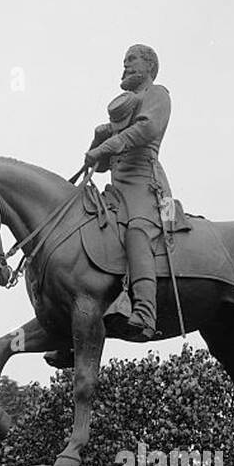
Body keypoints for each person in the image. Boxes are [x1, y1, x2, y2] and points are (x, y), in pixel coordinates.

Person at [85, 44, 173, 341]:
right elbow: (100, 166)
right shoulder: (123, 108)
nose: (125, 66)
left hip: (147, 188)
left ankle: (145, 312)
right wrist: (98, 142)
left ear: (150, 66)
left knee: (137, 232)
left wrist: (106, 144)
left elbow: (145, 130)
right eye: (123, 62)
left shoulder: (157, 95)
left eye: (132, 60)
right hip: (117, 191)